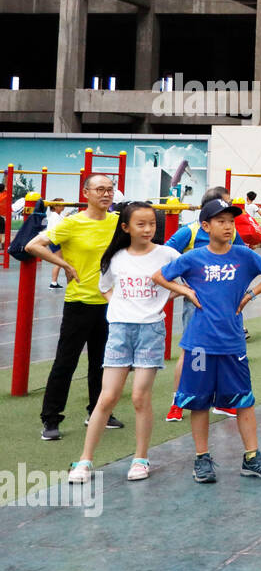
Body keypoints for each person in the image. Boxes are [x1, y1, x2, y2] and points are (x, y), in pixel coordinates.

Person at [152, 198, 261, 483]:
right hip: (199, 344)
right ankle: (202, 458)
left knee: (244, 400)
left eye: (231, 222)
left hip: (232, 343)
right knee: (199, 402)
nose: (228, 227)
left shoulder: (243, 255)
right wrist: (185, 292)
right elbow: (159, 276)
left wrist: (250, 296)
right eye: (221, 221)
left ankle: (252, 457)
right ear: (205, 226)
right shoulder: (193, 258)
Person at [67, 203, 181, 483]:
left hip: (150, 330)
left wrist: (160, 302)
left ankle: (140, 459)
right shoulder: (116, 257)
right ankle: (84, 461)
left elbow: (184, 282)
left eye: (152, 224)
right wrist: (121, 306)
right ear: (125, 228)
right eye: (141, 224)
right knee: (107, 398)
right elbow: (105, 287)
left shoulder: (167, 255)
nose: (148, 229)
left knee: (140, 397)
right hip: (119, 330)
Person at [24, 174, 124, 440]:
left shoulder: (118, 223)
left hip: (110, 304)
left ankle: (98, 411)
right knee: (65, 363)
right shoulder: (72, 223)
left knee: (102, 363)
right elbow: (33, 245)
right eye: (100, 189)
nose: (106, 194)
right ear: (86, 193)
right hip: (79, 303)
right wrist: (66, 265)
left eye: (110, 190)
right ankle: (51, 419)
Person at [163, 186, 247, 423]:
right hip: (198, 304)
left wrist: (242, 292)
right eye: (223, 213)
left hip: (225, 305)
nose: (229, 222)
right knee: (192, 353)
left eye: (230, 218)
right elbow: (165, 257)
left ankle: (223, 402)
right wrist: (184, 286)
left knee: (223, 353)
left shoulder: (231, 233)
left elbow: (241, 257)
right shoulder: (188, 232)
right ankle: (178, 402)